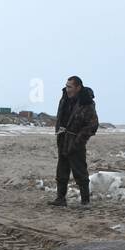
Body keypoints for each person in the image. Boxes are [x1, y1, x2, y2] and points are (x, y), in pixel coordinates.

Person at [52, 76, 99, 207]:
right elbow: (60, 117)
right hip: (62, 139)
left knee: (80, 172)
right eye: (66, 86)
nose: (67, 89)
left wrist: (79, 140)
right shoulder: (65, 99)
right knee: (61, 171)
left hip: (76, 142)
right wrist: (59, 131)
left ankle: (85, 201)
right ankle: (60, 199)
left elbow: (93, 125)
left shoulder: (86, 102)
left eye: (70, 87)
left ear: (78, 87)